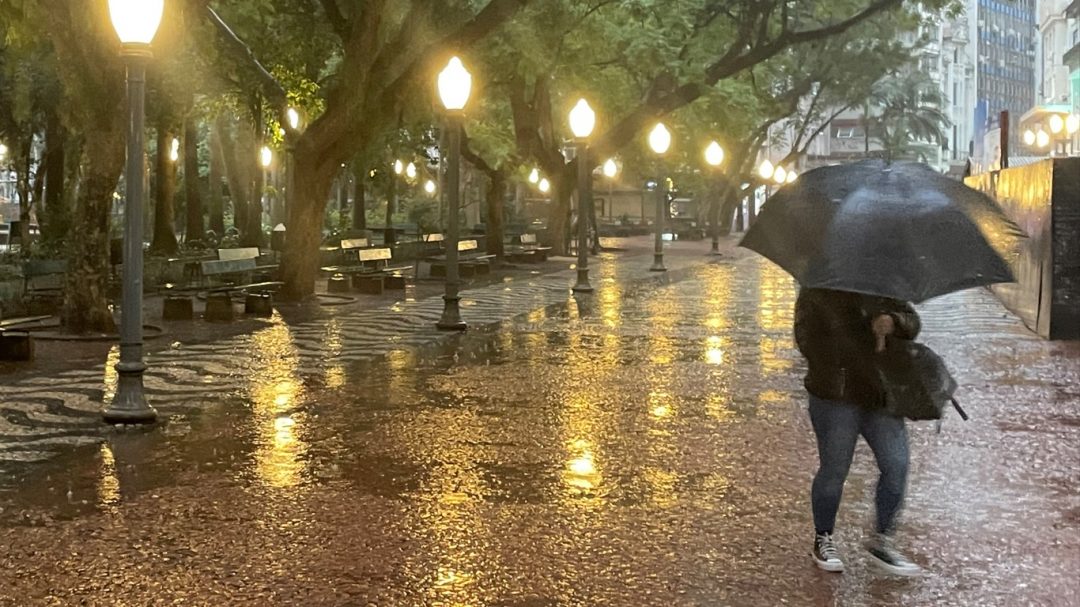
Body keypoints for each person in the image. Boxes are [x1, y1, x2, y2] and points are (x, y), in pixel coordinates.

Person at [793, 288, 923, 576]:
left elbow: (912, 321)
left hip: (880, 395)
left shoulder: (882, 282)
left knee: (896, 465)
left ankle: (882, 539)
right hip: (836, 394)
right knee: (835, 469)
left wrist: (894, 322)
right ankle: (823, 537)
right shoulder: (818, 286)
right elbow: (805, 339)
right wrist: (858, 337)